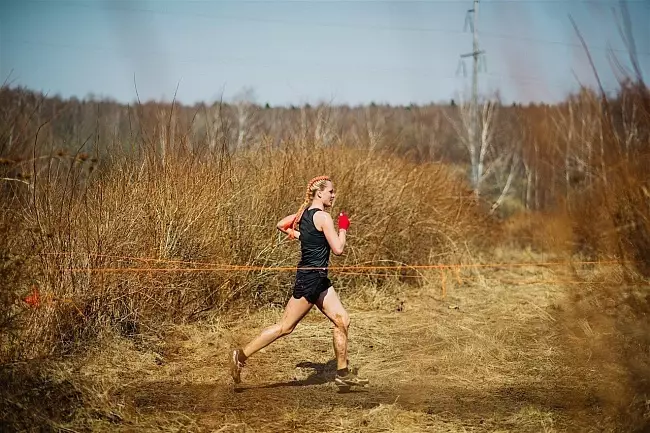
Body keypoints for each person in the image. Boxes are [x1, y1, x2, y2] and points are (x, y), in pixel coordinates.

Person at [230, 175, 368, 389]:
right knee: (285, 327)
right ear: (320, 193)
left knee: (342, 320)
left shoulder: (303, 214)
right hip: (310, 279)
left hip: (319, 279)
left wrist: (299, 234)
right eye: (331, 191)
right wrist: (343, 227)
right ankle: (241, 355)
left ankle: (342, 373)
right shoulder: (323, 217)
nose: (334, 195)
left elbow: (280, 224)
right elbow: (339, 250)